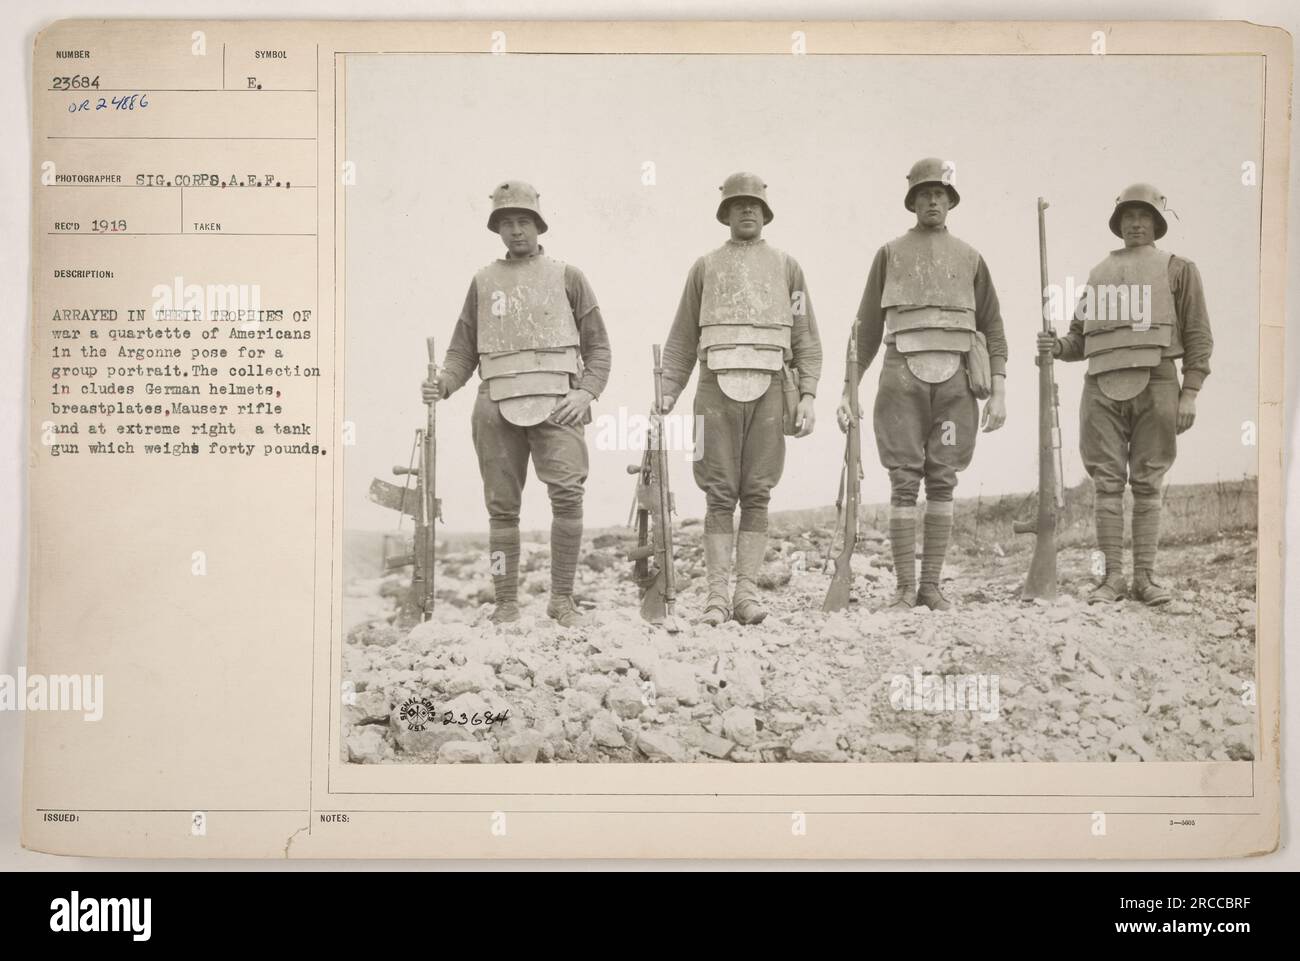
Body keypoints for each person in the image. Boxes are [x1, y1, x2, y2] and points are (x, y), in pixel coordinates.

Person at [422, 181, 612, 627]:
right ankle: (505, 603)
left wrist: (585, 392)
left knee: (568, 496)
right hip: (495, 402)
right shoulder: (483, 281)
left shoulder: (569, 276)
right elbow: (462, 351)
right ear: (497, 229)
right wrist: (444, 383)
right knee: (501, 507)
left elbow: (599, 347)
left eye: (523, 221)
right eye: (507, 223)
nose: (516, 231)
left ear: (538, 225)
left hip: (557, 402)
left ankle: (562, 601)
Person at [837, 157, 1008, 611]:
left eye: (940, 194)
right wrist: (848, 388)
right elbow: (866, 329)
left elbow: (993, 328)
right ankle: (902, 588)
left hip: (956, 381)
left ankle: (931, 586)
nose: (933, 200)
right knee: (903, 480)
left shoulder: (971, 257)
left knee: (944, 479)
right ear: (912, 200)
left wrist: (1001, 391)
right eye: (924, 193)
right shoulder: (890, 254)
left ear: (951, 201)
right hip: (901, 377)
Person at [659, 172, 822, 626]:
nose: (747, 210)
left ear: (765, 213)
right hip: (714, 388)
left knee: (757, 492)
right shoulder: (705, 267)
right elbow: (681, 336)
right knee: (718, 494)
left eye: (754, 204)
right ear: (726, 214)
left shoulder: (788, 268)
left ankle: (746, 594)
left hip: (771, 388)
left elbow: (806, 336)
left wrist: (807, 394)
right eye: (738, 205)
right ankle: (715, 598)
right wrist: (668, 390)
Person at [1037, 183, 1212, 605]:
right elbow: (1080, 340)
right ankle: (1112, 578)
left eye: (1144, 217)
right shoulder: (1099, 275)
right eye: (1129, 217)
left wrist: (1189, 393)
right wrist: (1056, 346)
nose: (1136, 224)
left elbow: (1198, 336)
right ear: (1118, 225)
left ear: (1156, 224)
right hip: (1100, 386)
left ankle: (1145, 579)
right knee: (1107, 484)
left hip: (1156, 381)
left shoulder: (1178, 270)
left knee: (1148, 483)